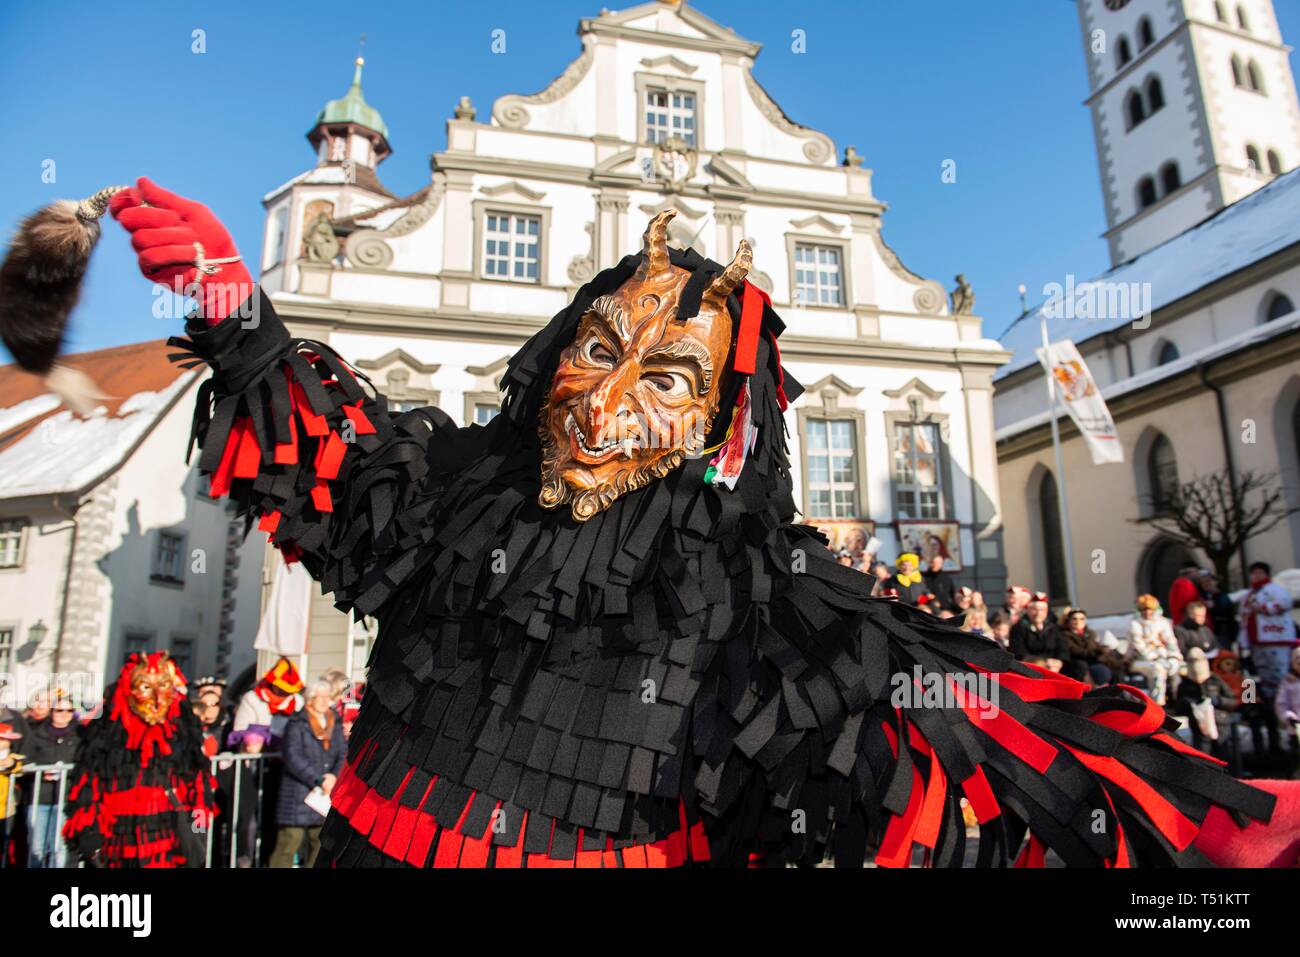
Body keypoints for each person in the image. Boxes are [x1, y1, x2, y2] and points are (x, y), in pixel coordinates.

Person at [100, 178, 1296, 868]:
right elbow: (328, 471)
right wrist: (239, 319)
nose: (610, 399)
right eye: (600, 349)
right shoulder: (457, 498)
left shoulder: (749, 593)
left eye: (668, 379)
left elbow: (962, 717)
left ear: (721, 428)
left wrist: (1218, 818)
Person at [63, 653, 217, 867]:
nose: (156, 698)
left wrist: (198, 832)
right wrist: (89, 833)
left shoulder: (181, 732)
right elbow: (88, 784)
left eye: (163, 686)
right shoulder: (107, 734)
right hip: (117, 838)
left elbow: (198, 788)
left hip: (167, 837)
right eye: (145, 687)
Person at [270, 680, 345, 868]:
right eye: (320, 696)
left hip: (323, 794)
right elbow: (293, 756)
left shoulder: (333, 720)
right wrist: (317, 779)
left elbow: (342, 751)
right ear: (310, 698)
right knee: (289, 843)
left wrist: (333, 776)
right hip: (298, 792)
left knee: (319, 844)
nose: (324, 700)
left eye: (327, 696)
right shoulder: (297, 722)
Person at [1238, 561, 1298, 750]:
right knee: (1251, 678)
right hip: (1254, 642)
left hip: (1274, 637)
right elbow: (1244, 618)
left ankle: (1275, 734)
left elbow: (1285, 603)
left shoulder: (1273, 589)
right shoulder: (1250, 593)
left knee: (1275, 677)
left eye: (1259, 573)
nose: (1256, 576)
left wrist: (1263, 608)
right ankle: (1254, 717)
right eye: (1253, 573)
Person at [24, 693, 80, 867]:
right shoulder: (36, 735)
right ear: (52, 712)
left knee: (59, 848)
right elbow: (25, 759)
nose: (64, 714)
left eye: (69, 710)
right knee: (37, 847)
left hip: (66, 798)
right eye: (59, 710)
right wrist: (40, 770)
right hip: (40, 798)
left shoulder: (79, 736)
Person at [1174, 648, 1238, 760]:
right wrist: (1189, 704)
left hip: (1220, 723)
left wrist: (1218, 701)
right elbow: (1178, 708)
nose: (1196, 664)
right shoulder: (1185, 684)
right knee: (1204, 758)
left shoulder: (1215, 680)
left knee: (1225, 756)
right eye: (1193, 661)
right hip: (1199, 725)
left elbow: (1232, 700)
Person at [1128, 594, 1185, 706]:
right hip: (1140, 660)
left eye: (1150, 609)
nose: (1147, 612)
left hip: (1163, 657)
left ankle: (1176, 700)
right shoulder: (1135, 624)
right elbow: (1139, 647)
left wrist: (1174, 656)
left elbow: (1171, 641)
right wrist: (1156, 656)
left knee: (1177, 668)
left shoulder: (1163, 622)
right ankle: (1158, 704)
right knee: (1157, 670)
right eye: (1144, 609)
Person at [1058, 608, 1123, 687]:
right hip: (1077, 662)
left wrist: (1104, 649)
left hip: (1092, 659)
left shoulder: (1090, 633)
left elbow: (1095, 645)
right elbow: (1074, 651)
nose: (1078, 622)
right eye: (1074, 619)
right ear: (1069, 620)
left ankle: (1120, 688)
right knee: (1082, 666)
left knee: (1114, 661)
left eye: (1082, 619)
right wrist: (1096, 652)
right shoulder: (1064, 635)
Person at [1009, 593, 1068, 670]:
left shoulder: (1053, 628)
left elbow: (1063, 649)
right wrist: (1041, 663)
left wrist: (1059, 661)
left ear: (1046, 612)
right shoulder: (1018, 628)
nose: (1038, 613)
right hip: (1030, 667)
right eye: (1034, 609)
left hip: (1054, 667)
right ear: (1028, 610)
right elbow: (1018, 652)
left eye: (1042, 610)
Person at [0, 723, 24, 868]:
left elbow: (18, 766)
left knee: (5, 847)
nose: (4, 743)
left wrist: (10, 763)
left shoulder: (12, 757)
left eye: (6, 740)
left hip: (6, 812)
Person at [1199, 571, 1239, 649]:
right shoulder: (1203, 597)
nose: (1206, 584)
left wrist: (1214, 607)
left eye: (1208, 581)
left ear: (1215, 582)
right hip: (1208, 633)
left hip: (1222, 632)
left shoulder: (1222, 597)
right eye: (1203, 582)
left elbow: (1228, 615)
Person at [1168, 564, 1204, 630]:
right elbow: (1187, 604)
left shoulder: (1181, 583)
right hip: (1187, 625)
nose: (1198, 574)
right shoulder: (1184, 583)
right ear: (1190, 573)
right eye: (1196, 572)